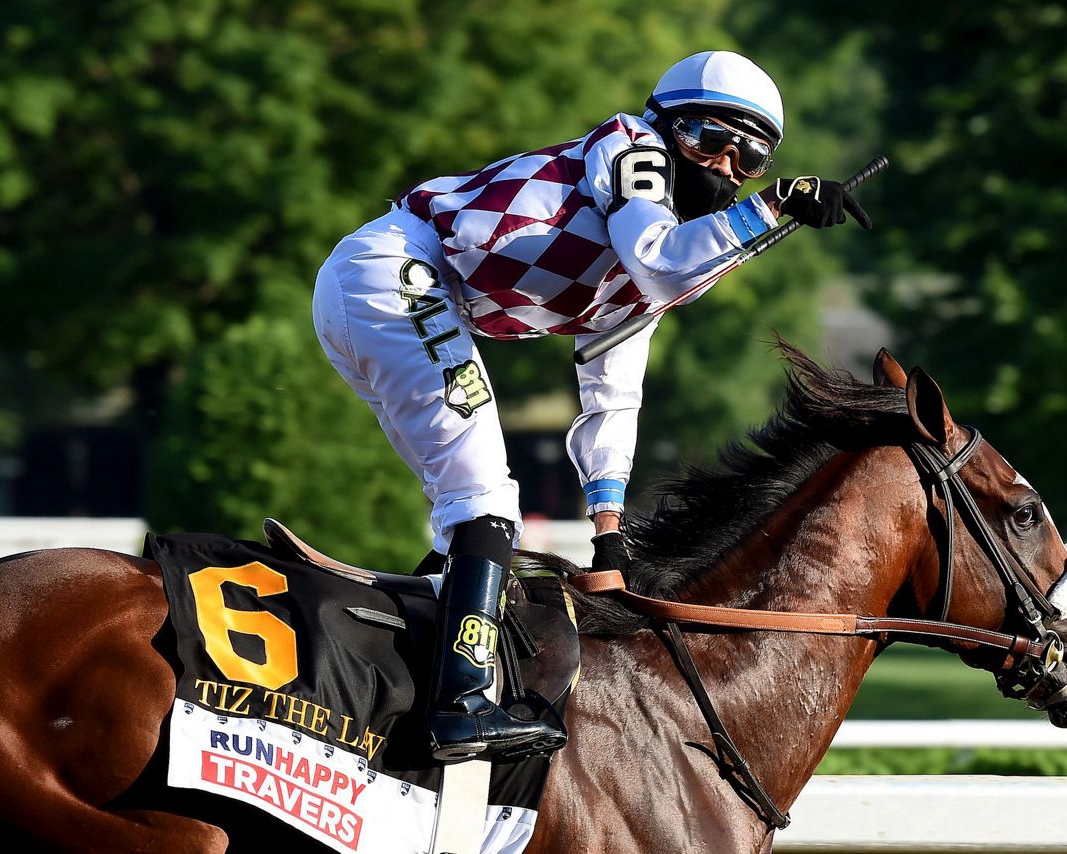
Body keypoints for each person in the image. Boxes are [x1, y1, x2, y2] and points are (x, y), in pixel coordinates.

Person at [312, 50, 871, 763]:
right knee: (484, 500)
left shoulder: (684, 256)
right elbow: (653, 254)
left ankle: (412, 675)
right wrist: (775, 202)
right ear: (665, 126)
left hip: (393, 289)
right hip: (394, 271)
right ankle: (459, 706)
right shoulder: (633, 151)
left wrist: (609, 538)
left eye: (751, 154)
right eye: (708, 137)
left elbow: (614, 391)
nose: (727, 164)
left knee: (471, 514)